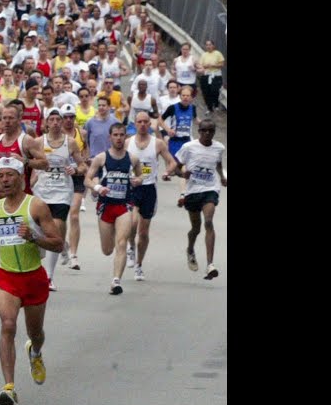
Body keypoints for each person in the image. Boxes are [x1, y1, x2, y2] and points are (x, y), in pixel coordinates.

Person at [0, 157, 63, 405]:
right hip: (7, 277)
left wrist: (34, 237)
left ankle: (35, 352)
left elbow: (58, 243)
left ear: (20, 177)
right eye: (1, 176)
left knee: (35, 333)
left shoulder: (36, 206)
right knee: (8, 324)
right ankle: (9, 388)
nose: (4, 180)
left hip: (33, 277)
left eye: (9, 175)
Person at [31, 108, 89, 291]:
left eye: (58, 119)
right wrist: (32, 178)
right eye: (52, 119)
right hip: (42, 190)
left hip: (62, 192)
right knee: (40, 232)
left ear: (62, 122)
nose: (55, 122)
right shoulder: (38, 142)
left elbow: (82, 165)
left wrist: (76, 169)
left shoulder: (70, 143)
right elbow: (30, 163)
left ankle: (48, 277)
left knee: (55, 229)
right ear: (47, 123)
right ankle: (62, 245)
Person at [83, 124, 144, 296]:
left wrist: (138, 180)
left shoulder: (132, 159)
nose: (118, 138)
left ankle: (116, 280)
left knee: (122, 242)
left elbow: (140, 175)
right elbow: (87, 179)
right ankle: (115, 269)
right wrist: (97, 188)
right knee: (107, 249)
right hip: (105, 206)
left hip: (124, 206)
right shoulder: (101, 158)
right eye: (115, 135)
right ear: (110, 137)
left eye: (121, 135)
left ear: (125, 137)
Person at [125, 111, 179, 280]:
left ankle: (139, 265)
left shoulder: (158, 144)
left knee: (144, 232)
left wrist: (168, 172)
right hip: (132, 187)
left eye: (145, 122)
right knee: (132, 222)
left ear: (150, 124)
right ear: (135, 124)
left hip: (149, 189)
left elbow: (172, 162)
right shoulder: (128, 142)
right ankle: (130, 247)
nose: (142, 124)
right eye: (139, 121)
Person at [169, 119, 226, 279]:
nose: (207, 134)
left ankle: (210, 264)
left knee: (208, 222)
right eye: (204, 131)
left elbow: (218, 164)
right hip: (193, 191)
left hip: (210, 189)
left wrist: (221, 177)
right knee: (196, 228)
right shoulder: (189, 147)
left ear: (214, 132)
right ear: (199, 131)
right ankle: (190, 249)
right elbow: (177, 168)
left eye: (211, 131)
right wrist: (181, 174)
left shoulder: (219, 147)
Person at [197, 39, 225, 113]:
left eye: (210, 44)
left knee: (214, 91)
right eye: (207, 45)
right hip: (206, 75)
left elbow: (222, 64)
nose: (208, 46)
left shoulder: (217, 53)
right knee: (206, 92)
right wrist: (204, 66)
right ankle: (209, 108)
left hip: (216, 75)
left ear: (213, 45)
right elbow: (200, 65)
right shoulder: (204, 54)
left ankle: (216, 104)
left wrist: (213, 65)